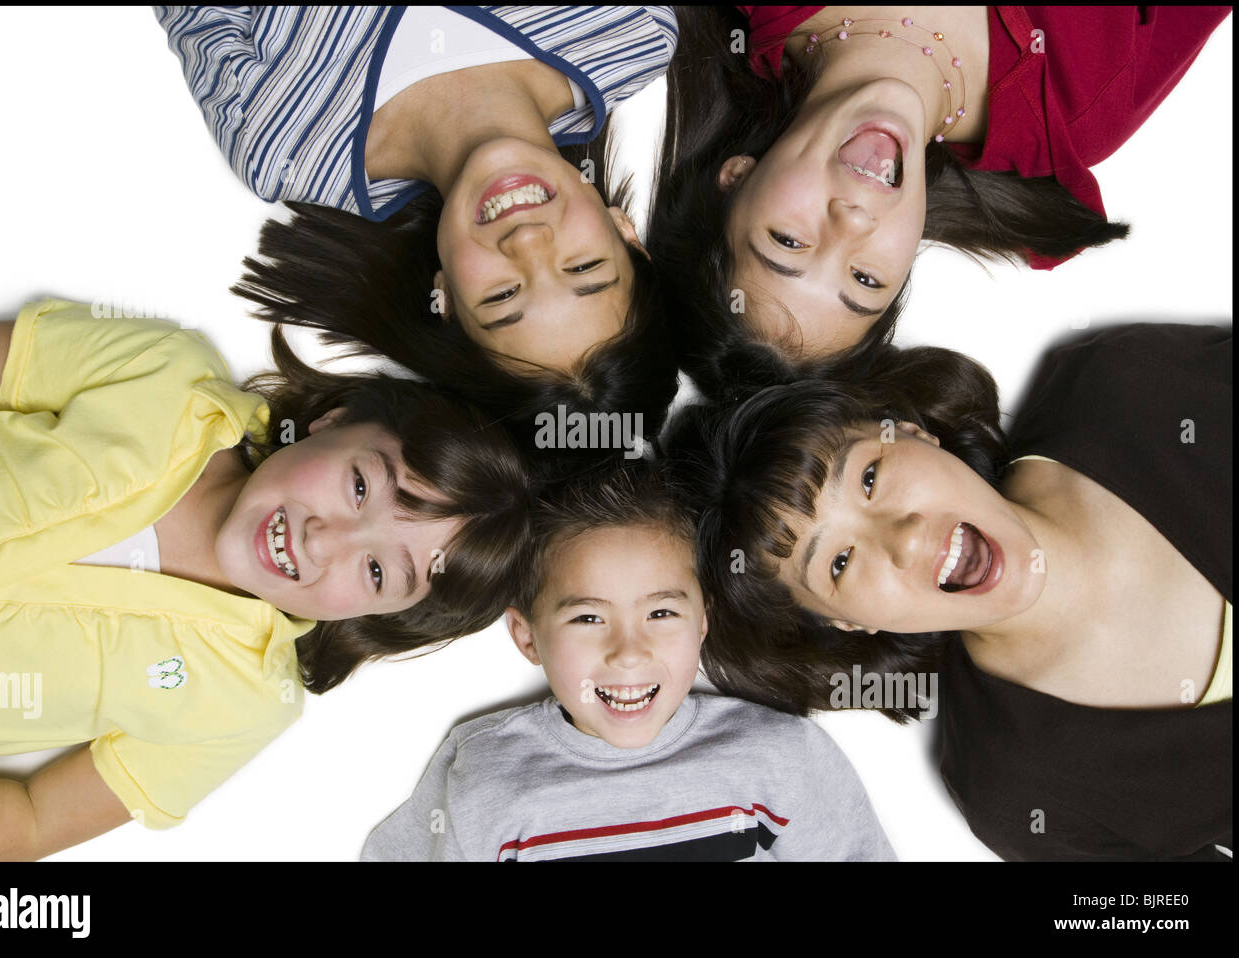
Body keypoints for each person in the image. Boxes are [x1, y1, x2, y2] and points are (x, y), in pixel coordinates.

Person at [0, 299, 533, 860]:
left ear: (376, 615)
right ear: (334, 421)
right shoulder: (163, 372)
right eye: (359, 486)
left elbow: (32, 818)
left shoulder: (243, 706)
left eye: (377, 571)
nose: (324, 540)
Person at [664, 322, 1232, 860]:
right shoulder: (1014, 790)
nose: (906, 540)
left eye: (868, 478)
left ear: (911, 431)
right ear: (846, 622)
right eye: (838, 563)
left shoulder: (1121, 384)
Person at [157, 7, 681, 469]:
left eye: (503, 296)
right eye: (584, 268)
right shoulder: (632, 28)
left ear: (445, 298)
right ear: (624, 232)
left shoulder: (281, 144)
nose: (527, 242)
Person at [648, 6, 1231, 400]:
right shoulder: (1074, 107)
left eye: (790, 242)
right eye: (866, 278)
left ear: (736, 176)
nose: (850, 224)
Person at [361, 461, 895, 860]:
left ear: (702, 621)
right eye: (588, 619)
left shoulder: (778, 756)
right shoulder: (483, 774)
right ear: (527, 637)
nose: (629, 651)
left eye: (661, 613)